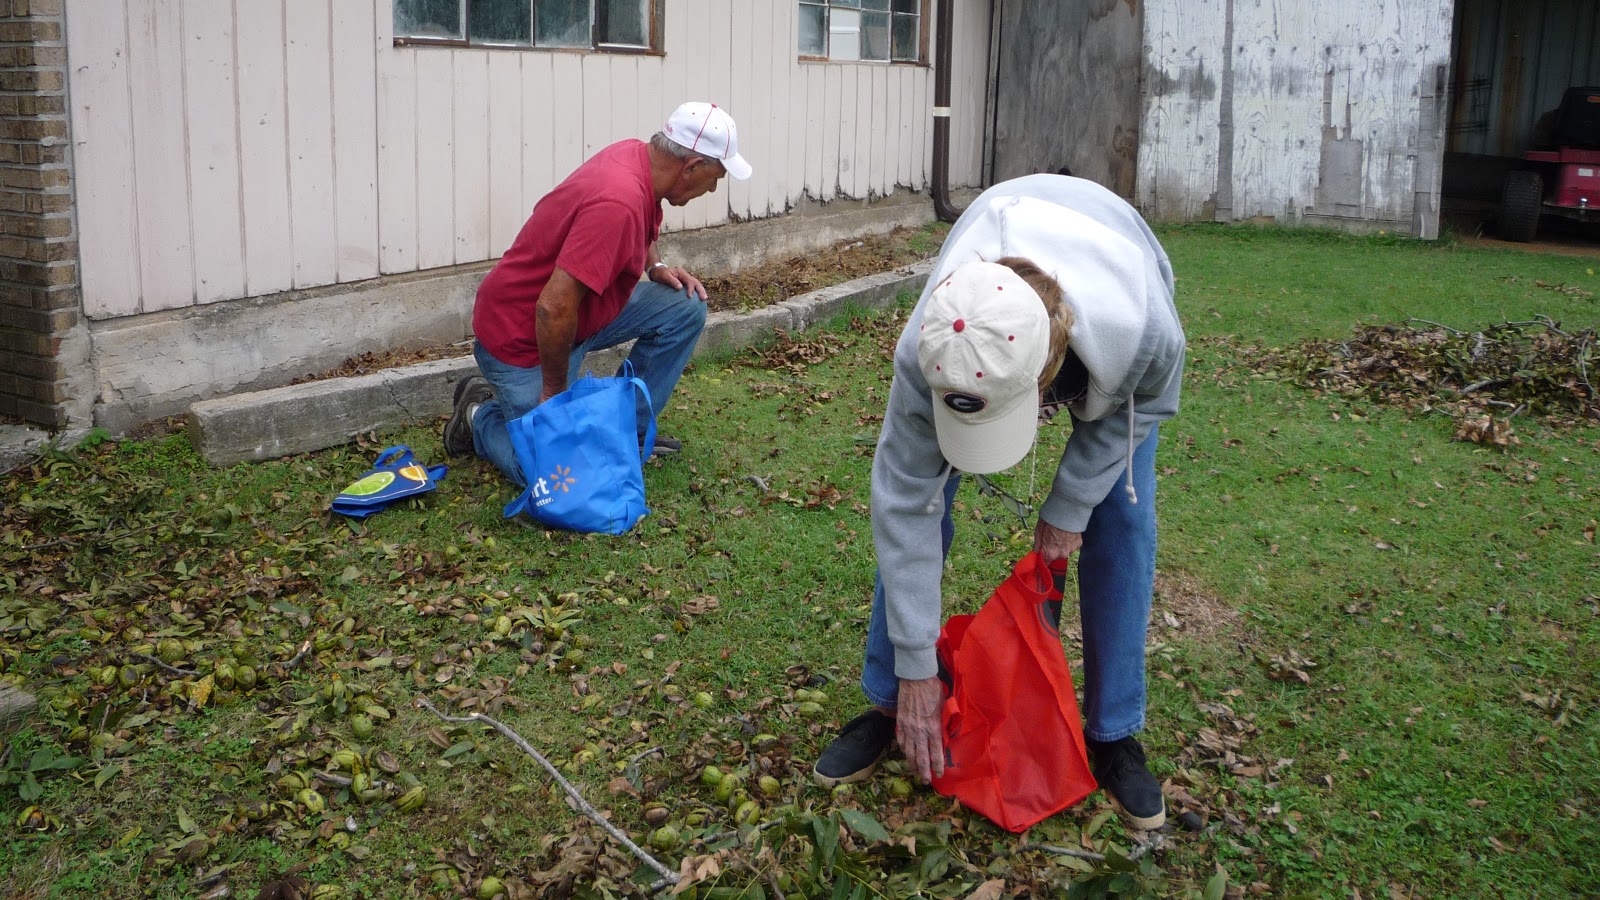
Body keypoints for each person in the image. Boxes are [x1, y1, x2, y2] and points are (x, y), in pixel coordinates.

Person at [812, 174, 1186, 831]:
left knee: (1122, 518)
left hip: (1116, 260)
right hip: (1001, 234)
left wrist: (1069, 507)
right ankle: (890, 700)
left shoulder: (1144, 332)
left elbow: (1150, 402)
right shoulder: (930, 348)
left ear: (1044, 388)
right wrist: (918, 669)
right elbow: (905, 504)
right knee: (926, 507)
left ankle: (1113, 733)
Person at [443, 101, 753, 481]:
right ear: (691, 167)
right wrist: (554, 396)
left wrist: (653, 265)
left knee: (683, 308)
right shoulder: (618, 201)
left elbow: (643, 216)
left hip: (579, 315)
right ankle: (479, 416)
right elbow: (552, 308)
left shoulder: (640, 161)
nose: (715, 187)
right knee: (553, 477)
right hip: (524, 337)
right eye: (716, 176)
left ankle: (628, 433)